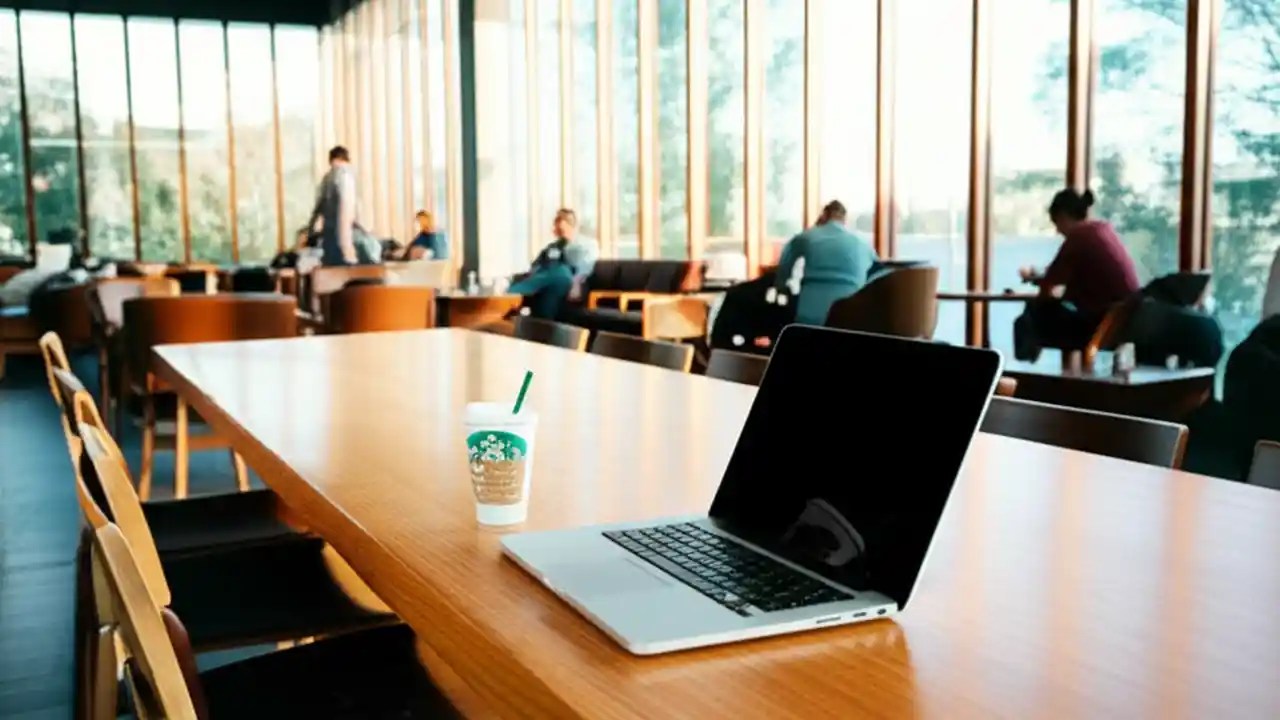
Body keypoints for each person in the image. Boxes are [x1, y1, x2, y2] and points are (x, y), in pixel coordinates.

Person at [1014, 188, 1140, 359]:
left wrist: (1038, 287)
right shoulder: (1102, 230)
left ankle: (1023, 371)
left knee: (1031, 316)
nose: (1058, 231)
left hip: (1103, 323)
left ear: (1063, 216)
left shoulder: (1079, 236)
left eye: (1056, 223)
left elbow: (1049, 286)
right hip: (1124, 319)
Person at [774, 200, 878, 326]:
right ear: (845, 219)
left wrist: (781, 288)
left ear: (824, 215)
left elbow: (785, 265)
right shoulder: (862, 243)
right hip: (851, 312)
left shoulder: (807, 237)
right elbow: (877, 272)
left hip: (810, 313)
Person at [509, 209, 598, 319]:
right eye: (557, 229)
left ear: (572, 226)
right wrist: (532, 273)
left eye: (562, 230)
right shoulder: (553, 247)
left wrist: (576, 283)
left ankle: (512, 293)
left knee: (560, 273)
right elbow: (537, 264)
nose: (559, 233)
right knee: (532, 280)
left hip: (573, 281)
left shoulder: (585, 245)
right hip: (549, 280)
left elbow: (586, 266)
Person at [308, 146, 380, 266]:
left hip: (329, 238)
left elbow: (317, 209)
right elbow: (347, 209)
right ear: (346, 159)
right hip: (347, 238)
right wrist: (347, 246)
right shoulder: (345, 174)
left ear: (331, 160)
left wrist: (310, 232)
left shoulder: (327, 178)